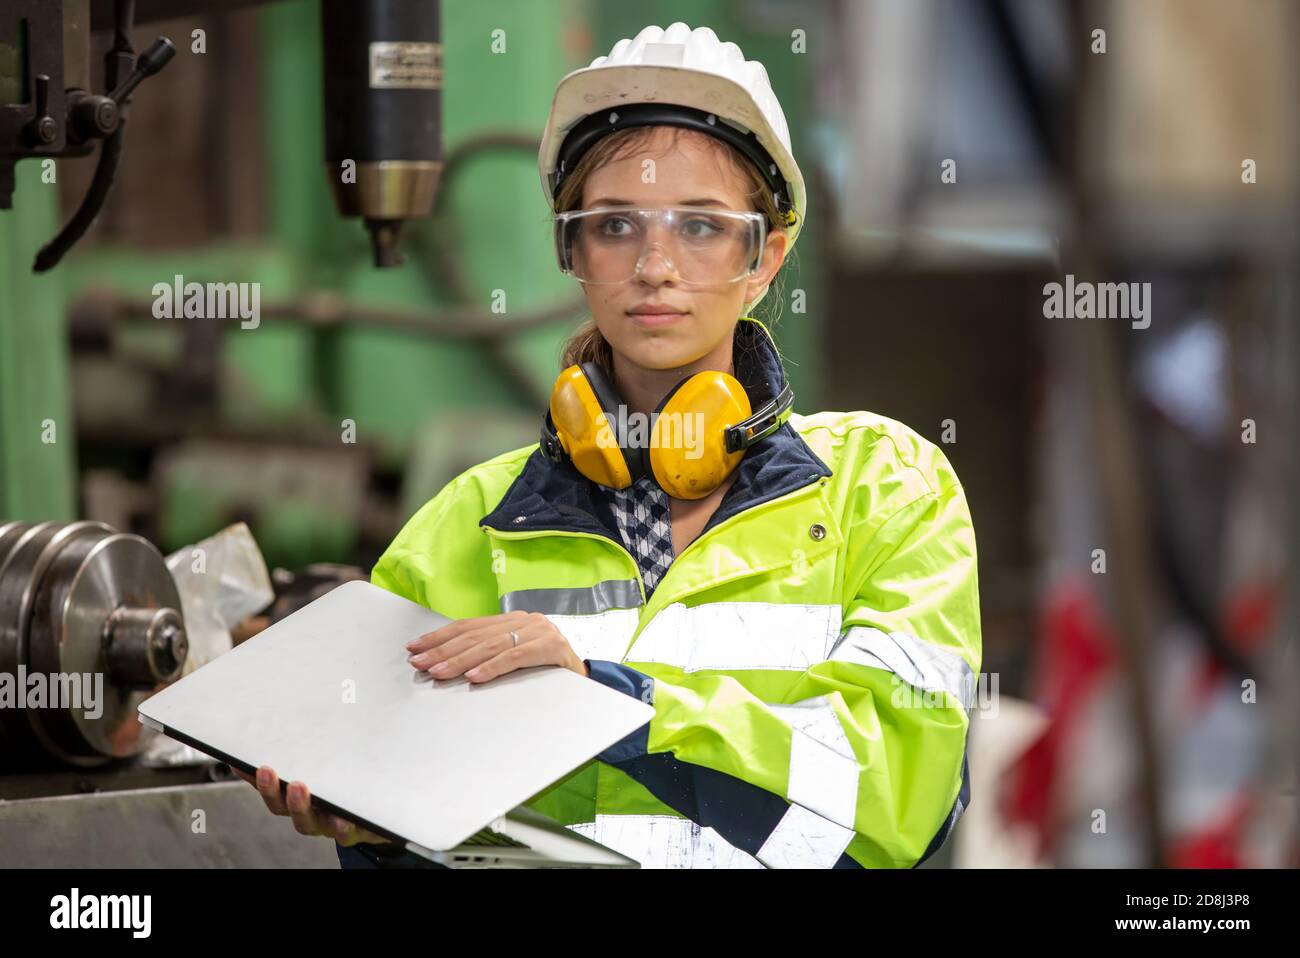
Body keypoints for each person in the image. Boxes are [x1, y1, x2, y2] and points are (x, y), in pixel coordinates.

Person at [239, 21, 981, 869]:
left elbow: (896, 796)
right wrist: (373, 824)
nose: (656, 266)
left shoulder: (886, 488)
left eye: (700, 228)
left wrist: (608, 701)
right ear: (572, 250)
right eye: (616, 226)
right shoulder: (466, 524)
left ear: (766, 258)